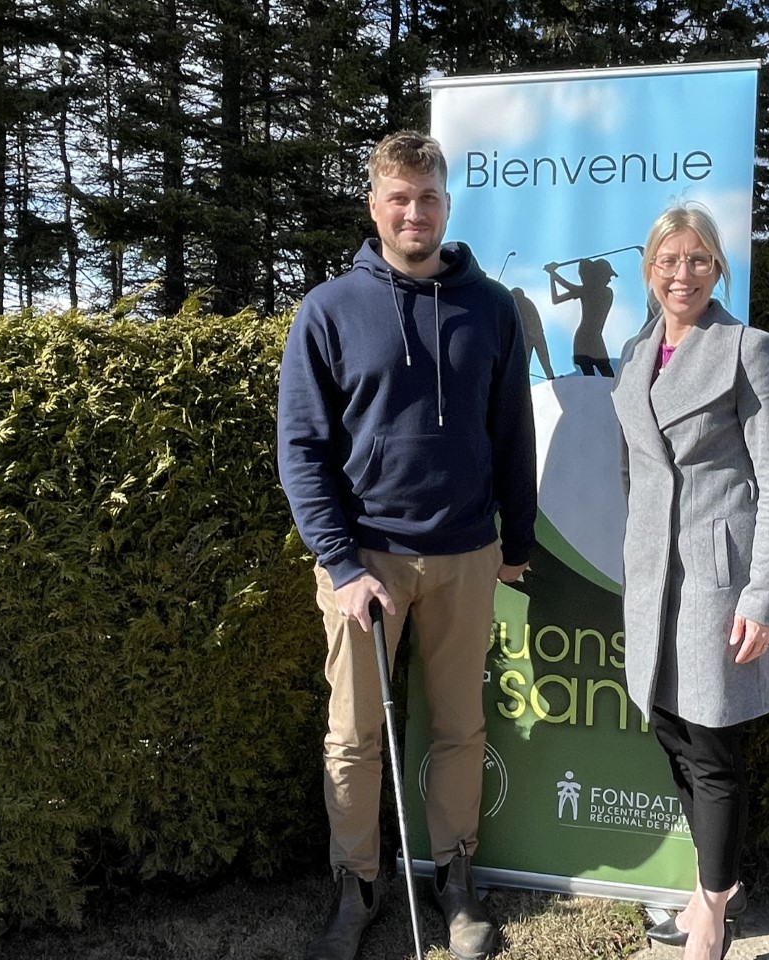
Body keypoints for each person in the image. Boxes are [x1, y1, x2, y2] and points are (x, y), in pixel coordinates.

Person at [277, 130, 537, 960]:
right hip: (366, 563)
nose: (414, 212)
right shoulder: (328, 311)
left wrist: (516, 540)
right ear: (375, 206)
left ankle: (457, 882)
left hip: (464, 555)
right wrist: (341, 565)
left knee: (461, 727)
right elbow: (302, 449)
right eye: (399, 198)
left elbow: (512, 435)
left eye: (428, 198)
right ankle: (355, 886)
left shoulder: (491, 307)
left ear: (447, 205)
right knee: (353, 736)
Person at [610, 205, 769, 960]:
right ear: (649, 269)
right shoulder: (633, 353)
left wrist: (764, 596)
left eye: (696, 261)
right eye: (667, 260)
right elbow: (634, 470)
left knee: (713, 748)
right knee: (671, 734)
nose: (681, 275)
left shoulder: (751, 350)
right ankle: (709, 884)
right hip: (652, 578)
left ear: (718, 267)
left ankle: (714, 910)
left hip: (718, 580)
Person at [543, 256, 617, 376]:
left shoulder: (605, 293)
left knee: (608, 377)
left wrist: (552, 273)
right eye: (607, 276)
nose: (609, 280)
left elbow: (569, 287)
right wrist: (552, 275)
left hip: (593, 339)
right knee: (591, 379)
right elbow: (556, 299)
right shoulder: (589, 291)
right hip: (584, 340)